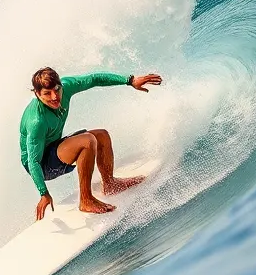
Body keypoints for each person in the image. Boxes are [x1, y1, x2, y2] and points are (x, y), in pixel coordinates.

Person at [19, 66, 162, 221]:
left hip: (54, 147)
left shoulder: (66, 87)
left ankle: (109, 184)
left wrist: (130, 80)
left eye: (57, 89)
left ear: (61, 85)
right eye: (47, 93)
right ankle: (86, 200)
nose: (55, 97)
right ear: (37, 94)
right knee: (87, 141)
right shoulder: (36, 121)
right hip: (41, 165)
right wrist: (44, 193)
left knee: (101, 135)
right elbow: (33, 161)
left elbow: (94, 79)